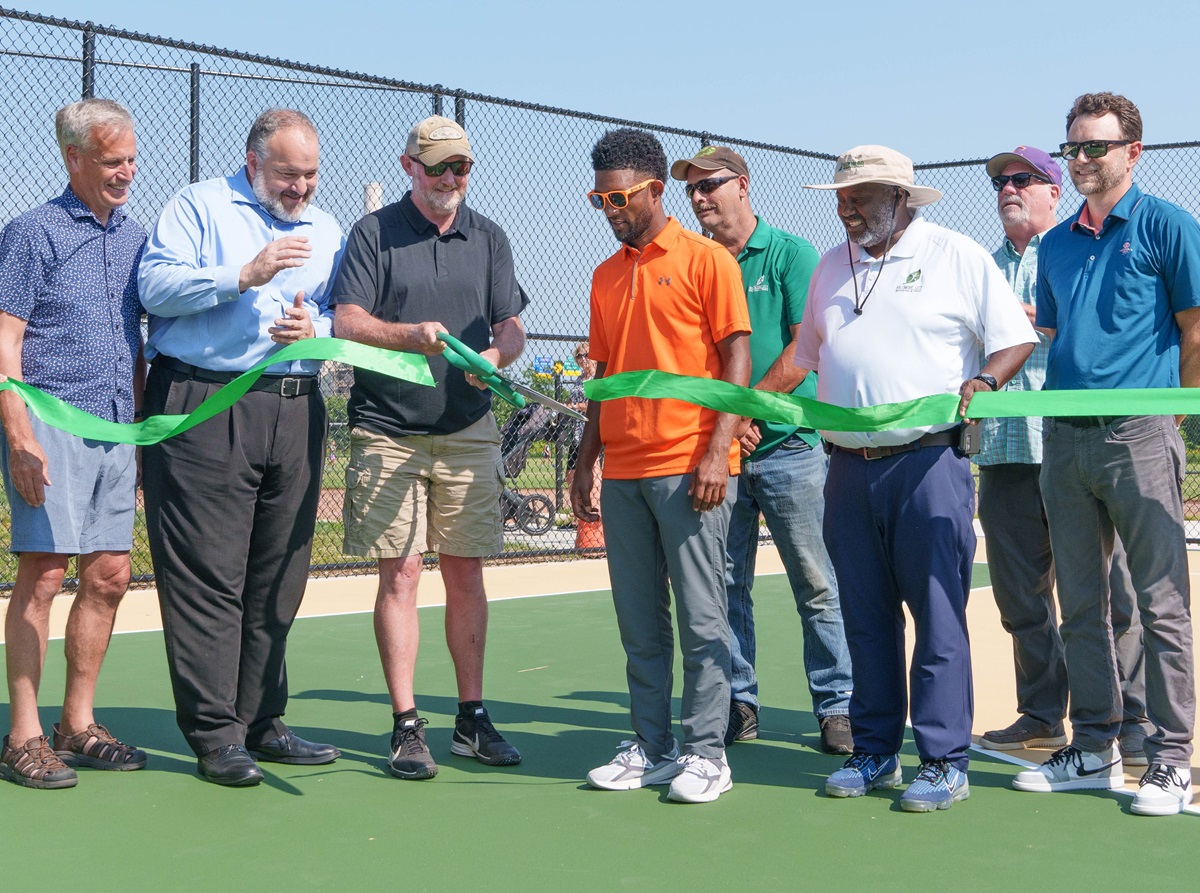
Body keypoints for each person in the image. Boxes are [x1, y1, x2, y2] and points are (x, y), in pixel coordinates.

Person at [795, 145, 1035, 812]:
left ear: (899, 197)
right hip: (846, 467)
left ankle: (942, 760)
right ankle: (875, 752)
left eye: (859, 197)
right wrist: (749, 408)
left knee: (936, 615)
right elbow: (803, 354)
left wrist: (986, 379)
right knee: (864, 618)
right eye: (840, 197)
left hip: (929, 463)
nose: (844, 208)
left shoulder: (956, 255)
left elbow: (1013, 337)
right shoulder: (828, 267)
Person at [138, 108, 344, 786]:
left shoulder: (326, 227)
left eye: (310, 176)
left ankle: (261, 719)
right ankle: (216, 733)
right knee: (209, 575)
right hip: (205, 402)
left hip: (294, 410)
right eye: (288, 175)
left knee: (278, 575)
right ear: (253, 162)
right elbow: (154, 287)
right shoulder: (199, 205)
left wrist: (316, 322)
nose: (300, 189)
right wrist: (243, 274)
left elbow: (345, 309)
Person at [1013, 92, 1199, 816]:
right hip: (1064, 441)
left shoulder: (1168, 226)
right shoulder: (1053, 244)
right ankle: (1093, 747)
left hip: (1142, 436)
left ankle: (1172, 758)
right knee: (1082, 604)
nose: (1083, 159)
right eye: (1074, 148)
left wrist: (1175, 418)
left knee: (1161, 605)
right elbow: (1058, 337)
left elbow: (1194, 330)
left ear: (1133, 152)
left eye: (1097, 146)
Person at [330, 115, 527, 780]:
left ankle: (471, 718)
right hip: (387, 429)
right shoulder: (373, 233)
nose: (450, 179)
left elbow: (512, 324)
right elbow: (347, 320)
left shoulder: (489, 236)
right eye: (438, 166)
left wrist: (498, 355)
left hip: (468, 427)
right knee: (403, 573)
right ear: (409, 164)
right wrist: (406, 334)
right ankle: (406, 725)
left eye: (461, 168)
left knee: (467, 572)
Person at [573, 128, 751, 804]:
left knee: (705, 620)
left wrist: (717, 452)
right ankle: (652, 746)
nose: (611, 208)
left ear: (654, 189)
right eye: (599, 198)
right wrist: (586, 459)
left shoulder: (708, 261)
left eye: (619, 196)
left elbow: (736, 360)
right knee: (639, 621)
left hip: (692, 467)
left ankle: (708, 754)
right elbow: (606, 377)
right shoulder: (605, 274)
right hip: (623, 471)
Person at [670, 146, 853, 754]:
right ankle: (739, 704)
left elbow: (805, 350)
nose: (698, 198)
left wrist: (743, 414)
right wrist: (722, 433)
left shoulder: (791, 253)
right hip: (722, 454)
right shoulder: (695, 261)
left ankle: (837, 705)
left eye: (710, 185)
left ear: (742, 186)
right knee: (726, 586)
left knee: (816, 581)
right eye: (691, 189)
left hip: (790, 448)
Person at [975, 146, 1151, 765]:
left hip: (1072, 443)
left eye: (1024, 179)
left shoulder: (1081, 252)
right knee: (1020, 595)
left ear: (1056, 192)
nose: (1009, 188)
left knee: (1111, 593)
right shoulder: (980, 266)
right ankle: (1043, 715)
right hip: (1003, 450)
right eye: (1000, 181)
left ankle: (1132, 724)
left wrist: (1028, 322)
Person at [0, 98, 147, 789]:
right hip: (51, 423)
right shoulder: (31, 233)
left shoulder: (139, 236)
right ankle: (24, 733)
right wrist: (20, 431)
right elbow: (6, 341)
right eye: (114, 159)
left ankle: (77, 724)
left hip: (119, 425)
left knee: (110, 574)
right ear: (75, 158)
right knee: (46, 571)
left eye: (131, 158)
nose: (127, 171)